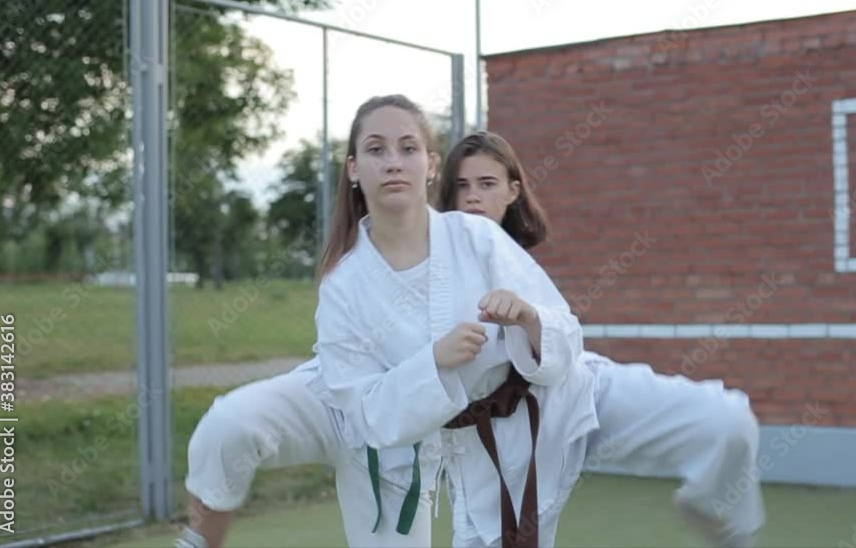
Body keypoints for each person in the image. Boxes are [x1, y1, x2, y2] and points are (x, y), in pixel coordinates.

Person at [178, 95, 597, 548]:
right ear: (354, 169)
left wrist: (529, 318)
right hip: (363, 414)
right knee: (229, 425)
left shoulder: (478, 239)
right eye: (377, 150)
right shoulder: (344, 280)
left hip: (439, 429)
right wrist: (434, 361)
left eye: (408, 148)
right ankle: (201, 541)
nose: (393, 162)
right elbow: (367, 412)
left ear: (431, 164)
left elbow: (564, 337)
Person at [434, 131, 766, 548]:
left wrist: (527, 316)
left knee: (728, 420)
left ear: (513, 191)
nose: (473, 198)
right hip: (503, 442)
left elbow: (562, 336)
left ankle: (715, 511)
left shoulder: (517, 260)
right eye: (462, 187)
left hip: (578, 395)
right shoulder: (434, 268)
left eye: (487, 184)